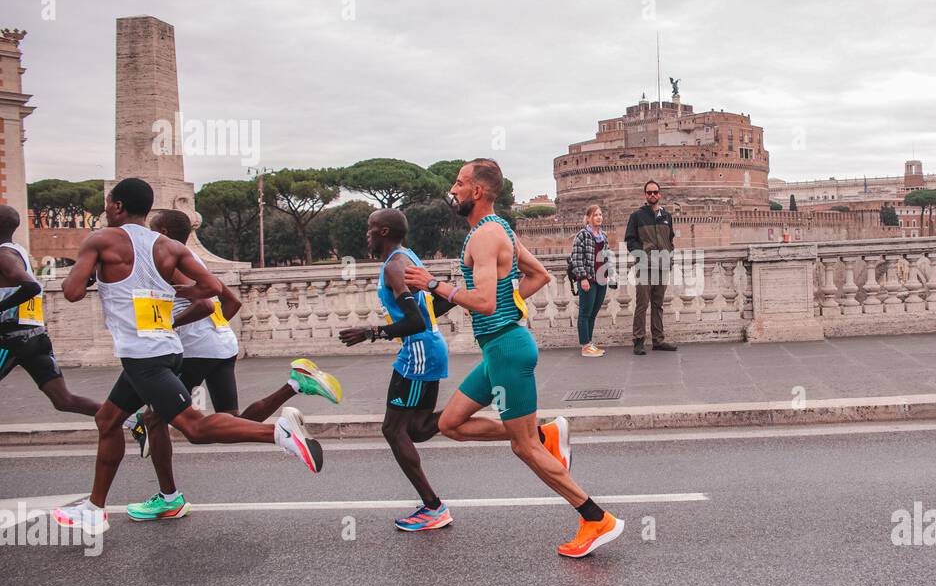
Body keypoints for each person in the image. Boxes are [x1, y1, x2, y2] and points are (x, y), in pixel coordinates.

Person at [51, 178, 324, 537]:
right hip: (167, 349)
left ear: (117, 206)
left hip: (143, 357)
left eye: (108, 203)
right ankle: (94, 508)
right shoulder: (166, 246)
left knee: (194, 426)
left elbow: (70, 292)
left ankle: (279, 432)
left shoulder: (101, 239)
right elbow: (211, 290)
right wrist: (169, 290)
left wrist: (96, 279)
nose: (107, 208)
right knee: (107, 419)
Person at [404, 158, 624, 557]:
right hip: (498, 350)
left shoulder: (485, 238)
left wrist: (435, 285)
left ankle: (595, 517)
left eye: (458, 183)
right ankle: (544, 435)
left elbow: (485, 302)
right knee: (451, 423)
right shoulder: (501, 228)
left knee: (523, 450)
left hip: (506, 350)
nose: (452, 190)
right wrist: (508, 302)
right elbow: (540, 275)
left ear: (477, 191)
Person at [124, 208, 342, 522]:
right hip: (220, 343)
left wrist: (171, 327)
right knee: (231, 421)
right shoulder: (194, 261)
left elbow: (203, 304)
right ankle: (296, 384)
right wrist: (210, 332)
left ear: (165, 234)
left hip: (196, 349)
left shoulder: (167, 263)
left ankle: (169, 498)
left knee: (159, 420)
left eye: (154, 230)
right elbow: (232, 303)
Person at [340, 208, 454, 532]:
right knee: (415, 429)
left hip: (417, 355)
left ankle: (433, 507)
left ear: (385, 232)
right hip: (429, 349)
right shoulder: (409, 257)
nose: (367, 234)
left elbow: (416, 320)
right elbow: (434, 307)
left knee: (393, 430)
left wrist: (370, 333)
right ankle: (466, 412)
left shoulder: (394, 266)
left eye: (370, 228)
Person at [0, 204, 99, 417]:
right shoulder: (18, 251)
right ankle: (131, 420)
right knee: (64, 400)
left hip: (10, 337)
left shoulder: (3, 255)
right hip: (34, 335)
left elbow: (31, 286)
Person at [624, 180, 677, 356]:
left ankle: (658, 340)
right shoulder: (637, 216)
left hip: (662, 266)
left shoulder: (667, 216)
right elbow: (630, 240)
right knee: (642, 304)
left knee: (658, 304)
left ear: (659, 194)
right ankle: (638, 341)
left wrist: (669, 255)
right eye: (649, 193)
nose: (652, 195)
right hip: (645, 267)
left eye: (655, 192)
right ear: (645, 195)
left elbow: (670, 239)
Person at [570, 204, 613, 357]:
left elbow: (606, 256)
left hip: (601, 279)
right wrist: (582, 278)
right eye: (595, 215)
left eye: (600, 214)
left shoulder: (604, 235)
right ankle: (585, 346)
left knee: (593, 312)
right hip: (588, 279)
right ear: (588, 218)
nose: (599, 217)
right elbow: (576, 258)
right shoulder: (582, 235)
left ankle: (589, 342)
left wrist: (609, 273)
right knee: (585, 312)